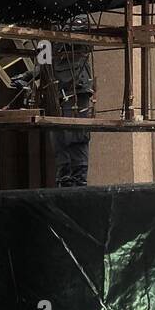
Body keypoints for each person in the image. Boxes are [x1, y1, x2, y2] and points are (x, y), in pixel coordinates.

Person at [50, 17, 95, 188]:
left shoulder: (76, 21)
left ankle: (77, 179)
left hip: (76, 92)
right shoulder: (52, 35)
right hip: (58, 92)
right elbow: (46, 63)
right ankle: (64, 178)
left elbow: (82, 41)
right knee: (59, 137)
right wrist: (27, 76)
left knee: (77, 136)